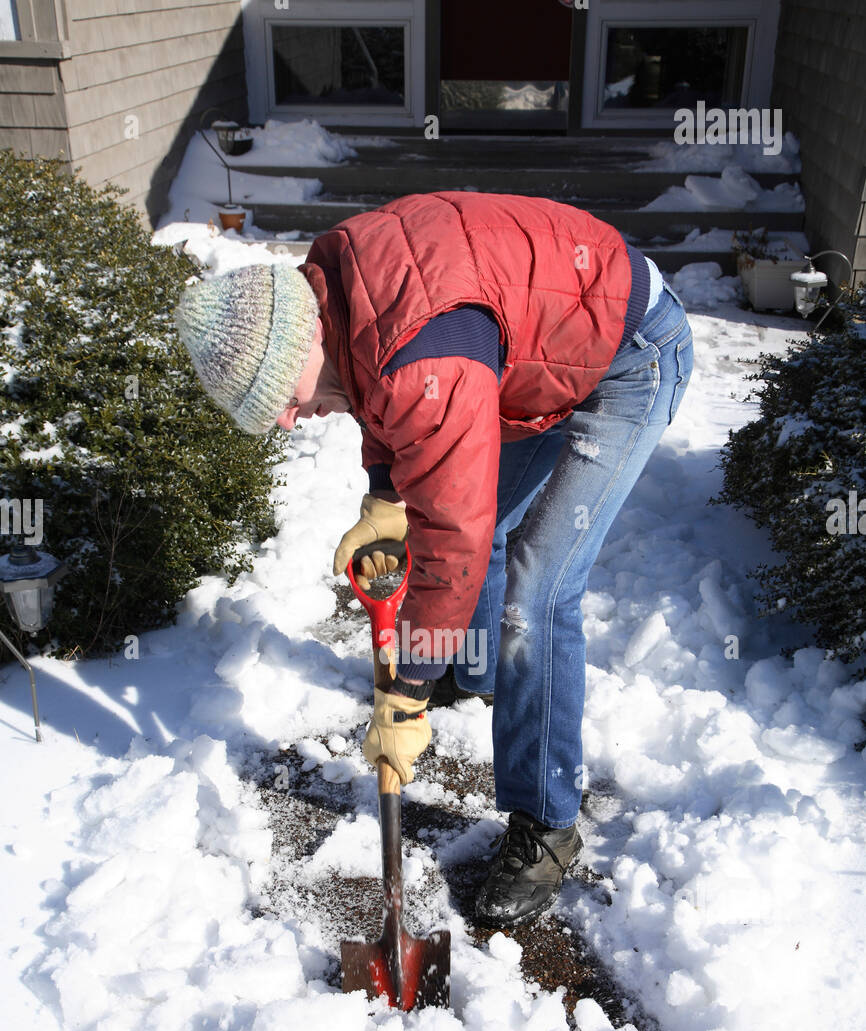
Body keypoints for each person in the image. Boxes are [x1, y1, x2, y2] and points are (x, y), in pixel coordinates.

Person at [176, 192, 693, 928]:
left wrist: (406, 687)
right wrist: (386, 494)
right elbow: (374, 384)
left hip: (627, 353)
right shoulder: (336, 288)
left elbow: (453, 530)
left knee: (537, 588)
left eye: (281, 400)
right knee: (474, 521)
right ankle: (474, 672)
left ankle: (547, 825)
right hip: (538, 344)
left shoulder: (422, 347)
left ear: (297, 340)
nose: (291, 420)